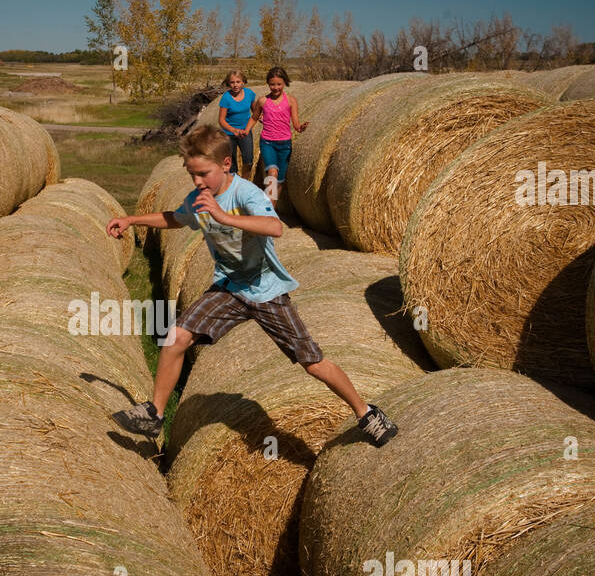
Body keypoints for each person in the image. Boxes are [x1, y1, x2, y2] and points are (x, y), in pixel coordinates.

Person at [106, 124, 398, 446]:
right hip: (230, 288)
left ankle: (365, 413)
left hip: (266, 291)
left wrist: (224, 216)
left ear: (226, 164)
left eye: (203, 173)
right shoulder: (198, 199)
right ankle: (154, 415)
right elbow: (176, 217)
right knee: (175, 336)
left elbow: (274, 227)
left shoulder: (246, 194)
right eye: (192, 175)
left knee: (312, 362)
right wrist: (133, 220)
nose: (197, 182)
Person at [250, 66, 307, 203]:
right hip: (268, 143)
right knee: (272, 174)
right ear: (268, 84)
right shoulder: (263, 101)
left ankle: (271, 211)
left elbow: (296, 125)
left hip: (285, 145)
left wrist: (301, 127)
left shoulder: (291, 100)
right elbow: (254, 117)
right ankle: (268, 212)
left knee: (279, 182)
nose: (275, 87)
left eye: (279, 84)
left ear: (284, 83)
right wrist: (246, 130)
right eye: (272, 84)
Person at [216, 70, 256, 177]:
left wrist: (260, 117)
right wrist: (233, 130)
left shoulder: (249, 94)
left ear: (243, 82)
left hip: (245, 131)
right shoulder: (226, 98)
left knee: (248, 160)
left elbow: (255, 111)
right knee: (231, 163)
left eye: (238, 82)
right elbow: (221, 120)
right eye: (232, 82)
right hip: (229, 134)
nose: (235, 85)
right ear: (228, 83)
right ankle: (233, 183)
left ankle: (244, 182)